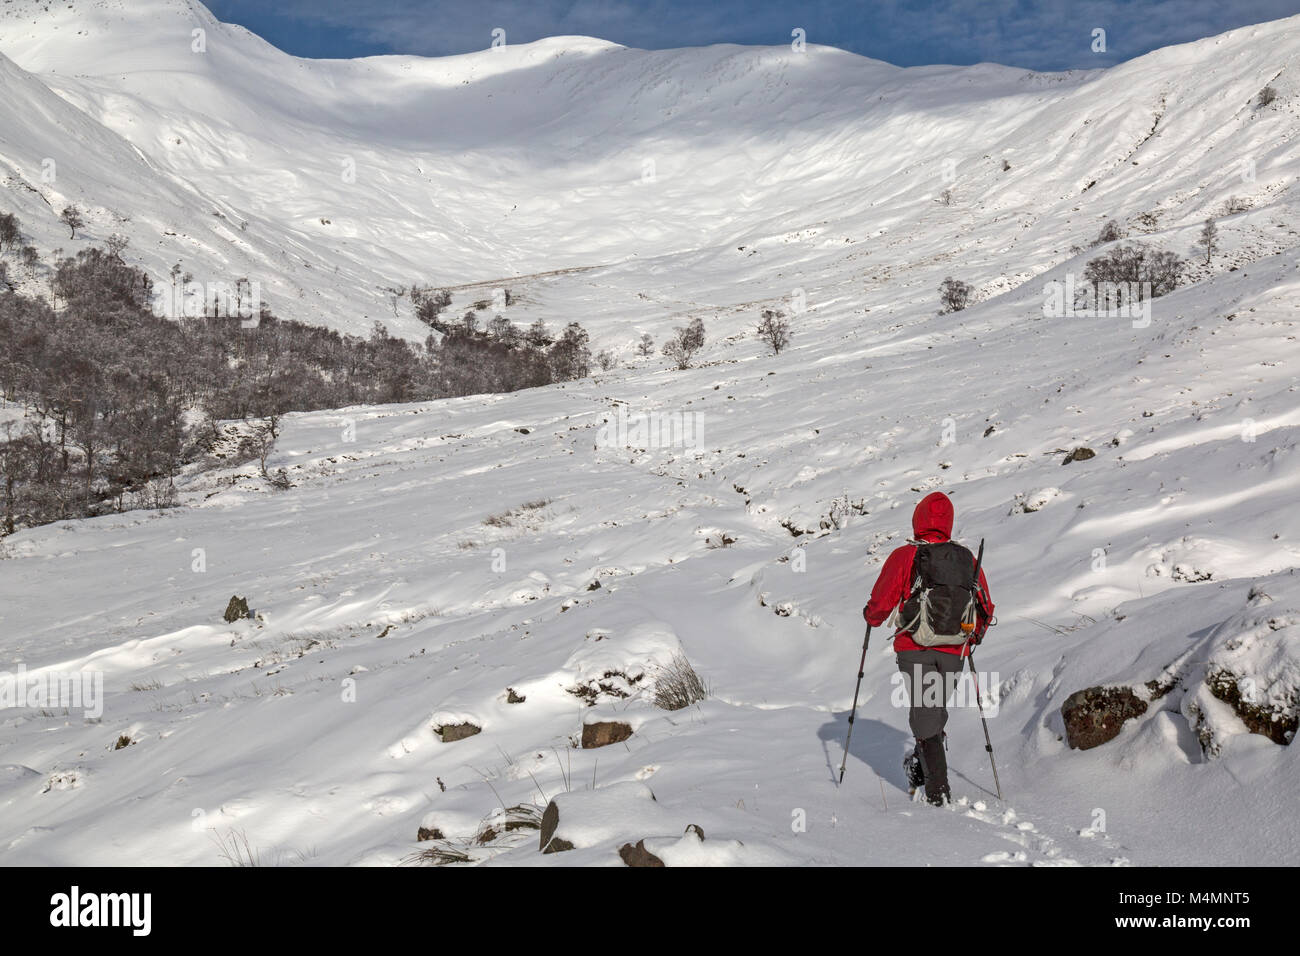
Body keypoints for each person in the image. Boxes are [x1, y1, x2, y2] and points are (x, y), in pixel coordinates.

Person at [863, 491, 992, 805]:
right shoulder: (966, 558)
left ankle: (937, 792)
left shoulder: (906, 556)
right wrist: (974, 636)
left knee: (926, 713)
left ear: (918, 519)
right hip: (954, 650)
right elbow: (984, 602)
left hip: (915, 646)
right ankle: (925, 771)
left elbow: (882, 600)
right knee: (931, 710)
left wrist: (872, 616)